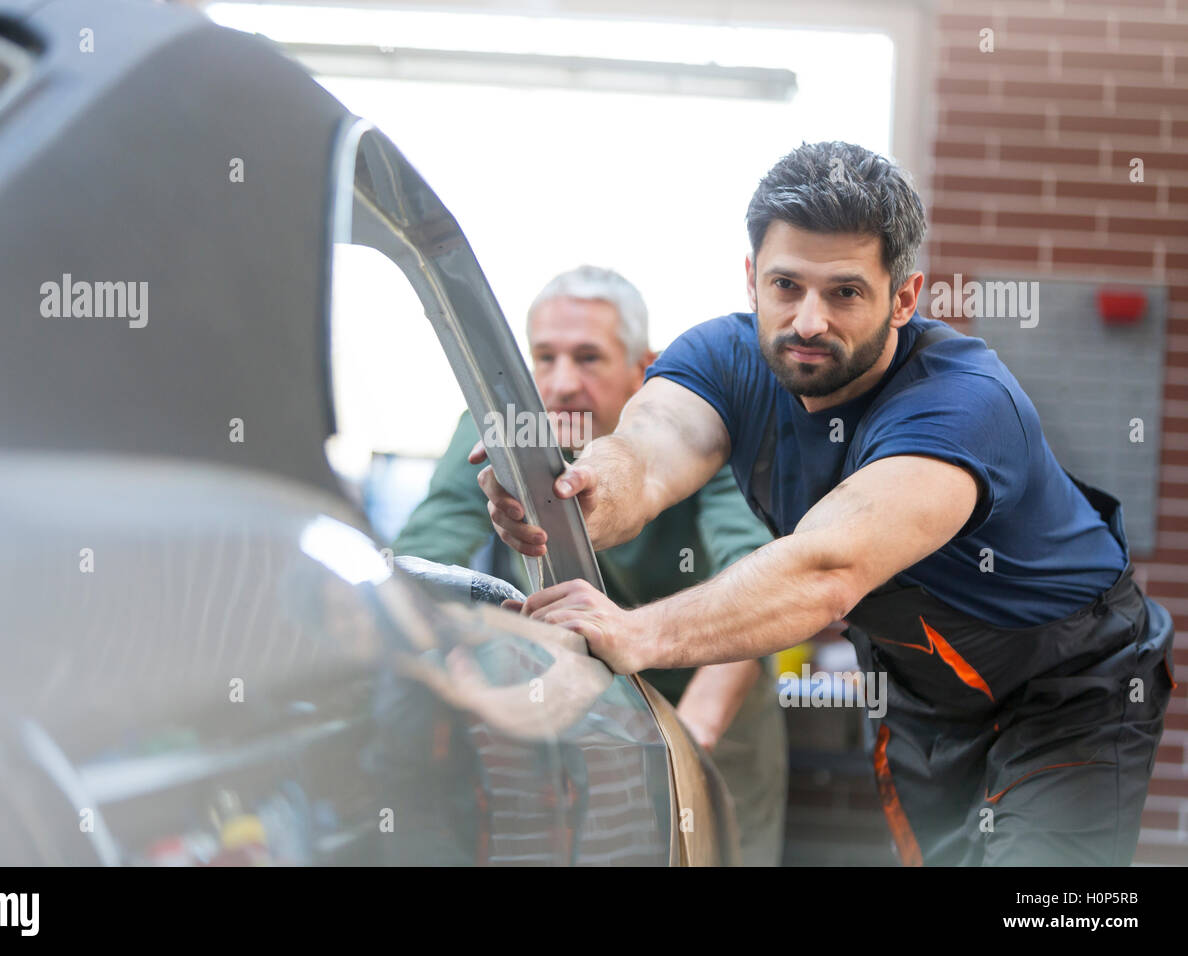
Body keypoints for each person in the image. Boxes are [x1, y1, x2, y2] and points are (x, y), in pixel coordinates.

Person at [476, 143, 1177, 867]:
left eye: (844, 292)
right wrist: (575, 495)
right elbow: (647, 453)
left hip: (1072, 689)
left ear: (903, 298)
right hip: (923, 690)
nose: (808, 320)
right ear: (752, 280)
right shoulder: (723, 358)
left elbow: (825, 570)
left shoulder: (963, 404)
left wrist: (640, 634)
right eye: (786, 285)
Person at [395, 265, 787, 865]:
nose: (561, 383)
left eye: (588, 358)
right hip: (546, 705)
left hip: (704, 706)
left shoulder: (706, 435)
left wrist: (687, 750)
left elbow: (756, 581)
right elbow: (425, 562)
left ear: (643, 369)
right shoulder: (489, 433)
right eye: (544, 358)